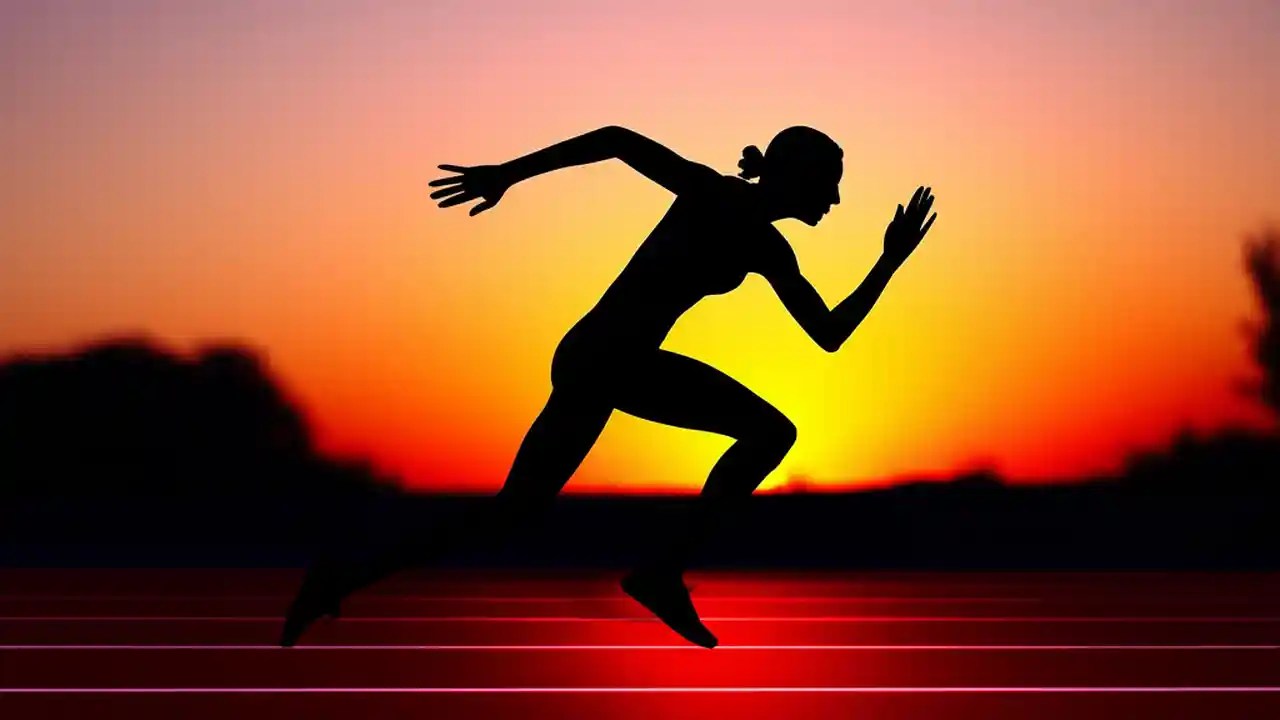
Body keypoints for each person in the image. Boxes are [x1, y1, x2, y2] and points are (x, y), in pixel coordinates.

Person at [280, 125, 937, 649]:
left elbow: (827, 333)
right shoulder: (712, 194)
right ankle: (662, 572)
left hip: (597, 358)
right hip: (608, 356)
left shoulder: (769, 249)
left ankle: (343, 576)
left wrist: (889, 259)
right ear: (796, 176)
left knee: (514, 512)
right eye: (830, 184)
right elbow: (617, 141)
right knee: (771, 432)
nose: (837, 200)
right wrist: (507, 174)